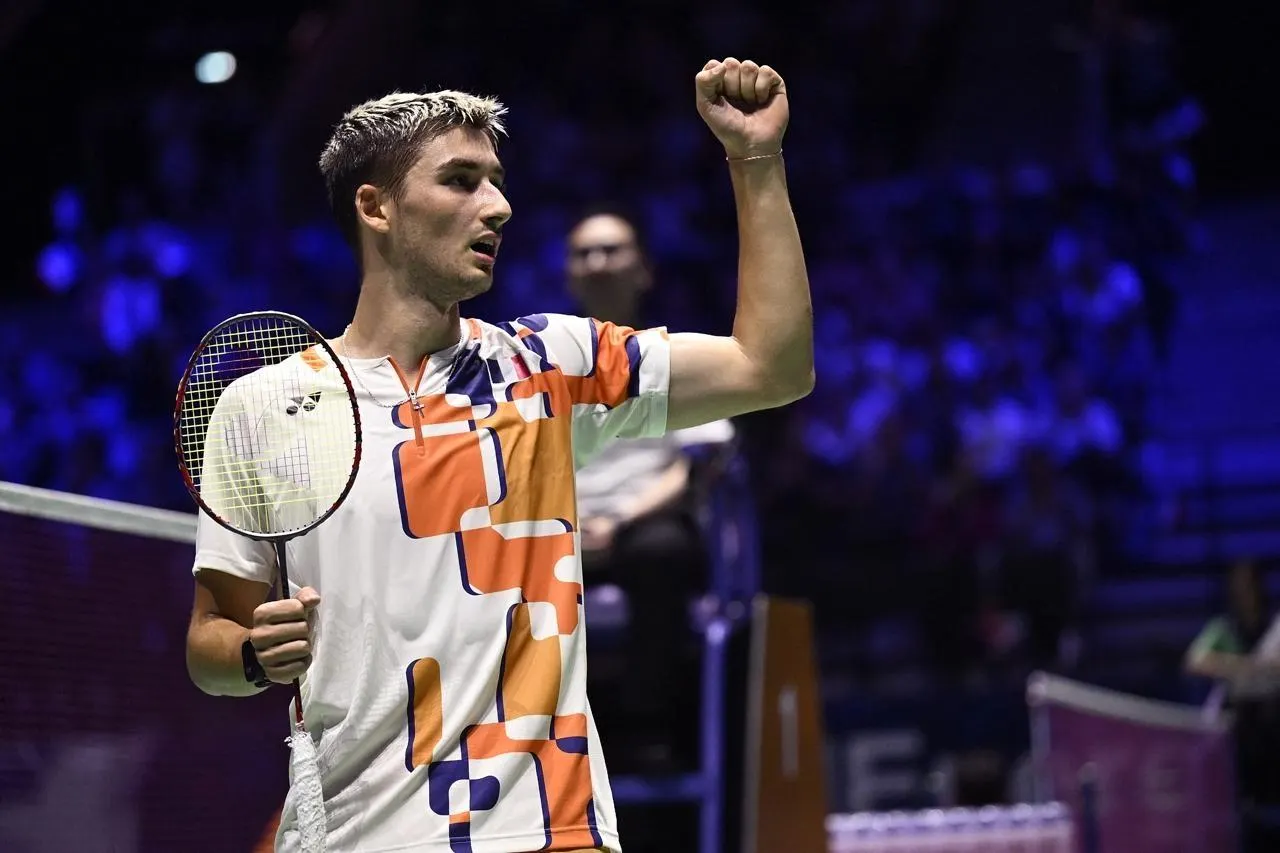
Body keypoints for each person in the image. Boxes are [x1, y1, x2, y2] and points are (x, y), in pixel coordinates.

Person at [186, 57, 812, 853]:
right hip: (354, 832)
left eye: (497, 180)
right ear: (375, 207)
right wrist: (251, 653)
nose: (499, 206)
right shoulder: (262, 406)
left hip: (548, 827)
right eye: (461, 181)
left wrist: (754, 160)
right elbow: (210, 640)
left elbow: (772, 367)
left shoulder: (548, 364)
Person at [564, 209, 735, 772]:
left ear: (643, 269)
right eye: (585, 253)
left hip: (645, 524)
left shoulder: (673, 356)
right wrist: (568, 525)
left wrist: (619, 523)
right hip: (563, 529)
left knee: (662, 553)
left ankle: (646, 728)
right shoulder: (545, 361)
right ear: (570, 274)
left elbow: (699, 466)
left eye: (611, 250)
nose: (598, 263)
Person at [1185, 559, 1280, 851]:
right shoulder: (1223, 627)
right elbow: (1195, 660)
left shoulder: (1273, 626)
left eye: (1248, 585)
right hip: (1236, 730)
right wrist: (1245, 668)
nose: (1243, 592)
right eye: (1237, 586)